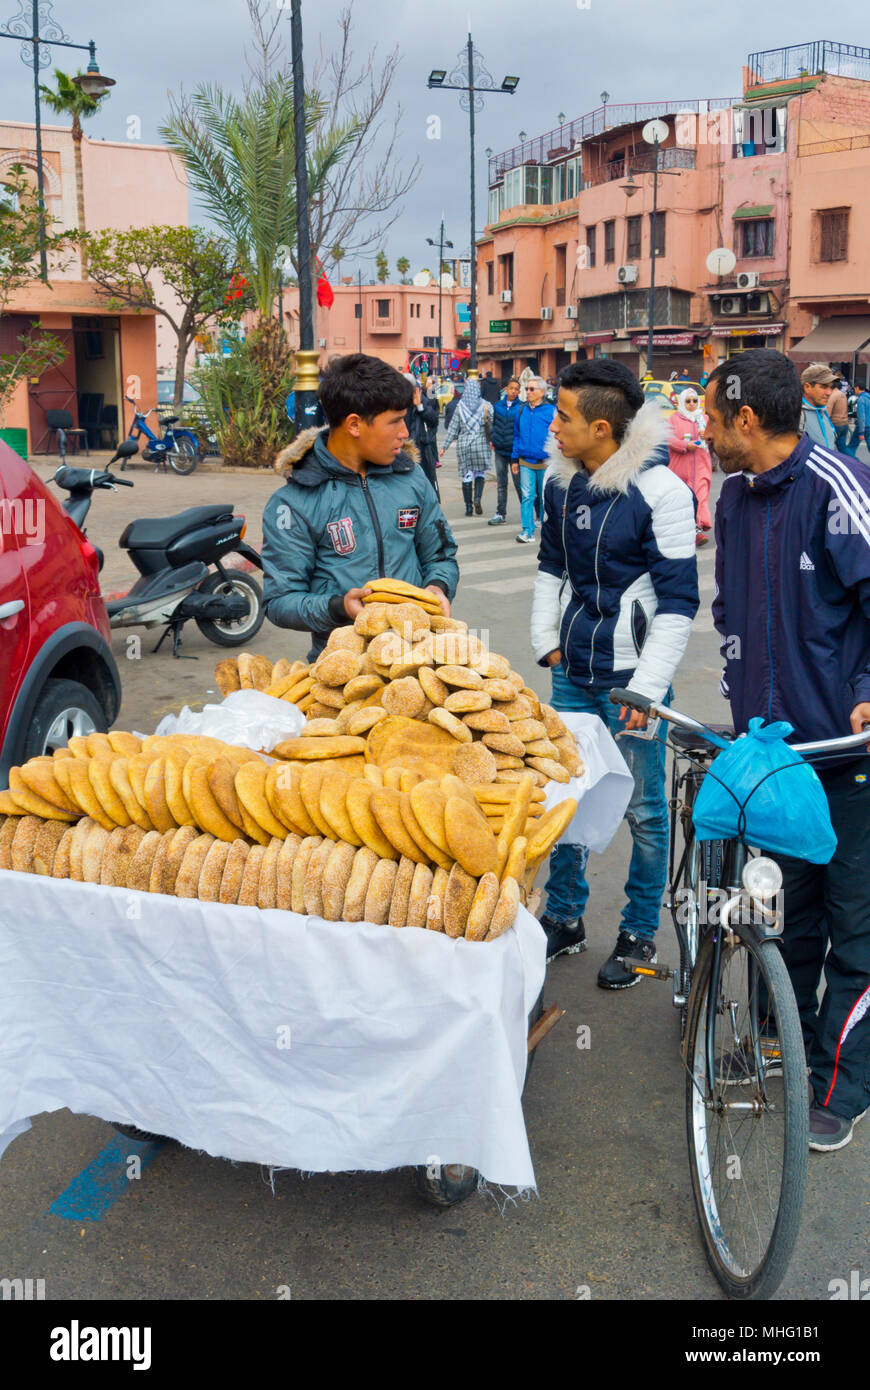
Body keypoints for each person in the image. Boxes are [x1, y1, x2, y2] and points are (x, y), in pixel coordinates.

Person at [704, 347, 870, 1152]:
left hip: (848, 757)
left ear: (745, 420)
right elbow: (730, 602)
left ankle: (842, 1085)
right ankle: (780, 1041)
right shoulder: (734, 499)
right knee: (780, 919)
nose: (701, 432)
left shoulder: (838, 488)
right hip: (771, 762)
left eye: (708, 418)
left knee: (856, 929)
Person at [531, 358, 699, 974]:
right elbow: (551, 564)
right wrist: (544, 636)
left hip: (632, 682)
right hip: (571, 672)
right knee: (565, 796)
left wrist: (648, 690)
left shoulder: (663, 492)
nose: (553, 427)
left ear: (602, 428)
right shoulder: (560, 483)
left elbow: (680, 602)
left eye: (564, 416)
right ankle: (565, 917)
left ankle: (637, 935)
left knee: (645, 811)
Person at [261, 353, 458, 659]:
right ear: (354, 424)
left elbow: (441, 556)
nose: (405, 432)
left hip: (419, 659)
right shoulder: (294, 502)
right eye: (395, 421)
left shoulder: (412, 477)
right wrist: (338, 607)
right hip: (342, 671)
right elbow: (279, 602)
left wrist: (437, 587)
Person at [440, 377, 493, 515]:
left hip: (464, 445)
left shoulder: (460, 407)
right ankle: (477, 498)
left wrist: (444, 447)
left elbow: (452, 429)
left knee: (467, 475)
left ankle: (468, 508)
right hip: (481, 443)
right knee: (480, 472)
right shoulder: (486, 405)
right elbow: (492, 424)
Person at [667, 388, 713, 544]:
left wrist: (707, 436)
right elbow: (668, 440)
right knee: (683, 501)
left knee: (700, 498)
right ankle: (684, 531)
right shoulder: (674, 420)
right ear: (682, 402)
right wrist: (686, 445)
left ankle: (698, 530)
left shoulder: (705, 419)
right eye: (688, 401)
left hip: (701, 467)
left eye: (694, 401)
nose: (692, 404)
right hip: (680, 469)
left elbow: (715, 438)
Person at [513, 377, 556, 542]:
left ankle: (548, 531)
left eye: (532, 389)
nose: (528, 392)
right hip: (525, 461)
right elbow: (516, 436)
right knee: (527, 496)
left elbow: (557, 436)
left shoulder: (551, 411)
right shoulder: (521, 410)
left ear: (542, 392)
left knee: (545, 497)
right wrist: (514, 460)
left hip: (546, 462)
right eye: (527, 389)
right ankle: (527, 531)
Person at [488, 377, 523, 525]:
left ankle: (529, 513)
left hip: (515, 453)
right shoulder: (498, 406)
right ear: (506, 389)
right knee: (501, 484)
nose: (513, 391)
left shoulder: (521, 407)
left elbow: (521, 430)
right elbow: (494, 424)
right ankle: (500, 513)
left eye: (516, 389)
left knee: (519, 485)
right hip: (500, 451)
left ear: (519, 391)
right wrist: (493, 439)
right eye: (511, 388)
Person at [403, 374, 440, 498]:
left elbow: (434, 420)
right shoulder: (397, 401)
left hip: (420, 447)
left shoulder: (423, 398)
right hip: (402, 446)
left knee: (424, 481)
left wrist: (420, 407)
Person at [799, 363, 836, 447]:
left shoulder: (822, 411)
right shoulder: (795, 414)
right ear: (807, 387)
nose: (829, 393)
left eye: (831, 387)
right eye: (824, 387)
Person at [827, 376, 851, 453]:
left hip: (836, 424)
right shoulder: (842, 394)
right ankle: (854, 461)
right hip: (845, 424)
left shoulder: (833, 395)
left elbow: (828, 412)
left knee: (829, 447)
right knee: (842, 447)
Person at [846, 382, 870, 457]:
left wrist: (861, 432)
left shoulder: (861, 399)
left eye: (854, 389)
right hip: (869, 426)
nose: (854, 391)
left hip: (862, 427)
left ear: (857, 388)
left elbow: (861, 416)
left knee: (852, 446)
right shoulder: (868, 397)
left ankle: (851, 463)